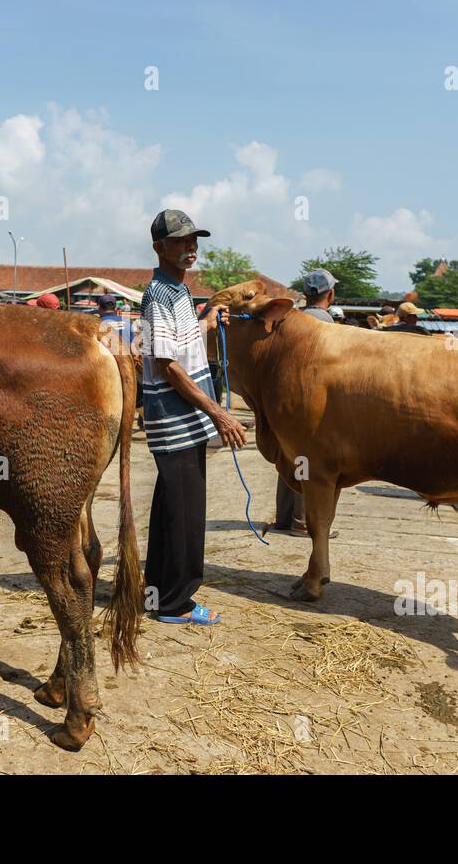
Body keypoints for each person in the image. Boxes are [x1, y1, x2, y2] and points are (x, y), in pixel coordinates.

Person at [140, 209, 245, 626]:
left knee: (171, 510)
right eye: (181, 241)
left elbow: (180, 347)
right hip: (175, 419)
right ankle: (176, 603)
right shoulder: (158, 296)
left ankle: (156, 594)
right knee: (185, 515)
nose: (190, 247)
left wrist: (205, 323)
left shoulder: (179, 292)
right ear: (159, 247)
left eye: (193, 240)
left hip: (186, 418)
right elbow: (167, 365)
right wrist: (219, 413)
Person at [267, 269, 341, 539]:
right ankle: (303, 520)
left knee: (290, 455)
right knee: (310, 461)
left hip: (283, 401)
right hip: (312, 402)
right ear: (330, 294)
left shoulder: (288, 320)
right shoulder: (326, 324)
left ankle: (284, 518)